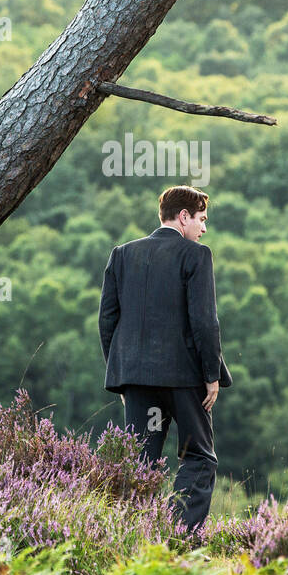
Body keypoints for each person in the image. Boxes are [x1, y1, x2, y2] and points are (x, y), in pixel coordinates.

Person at [98, 185, 232, 536]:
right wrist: (211, 374)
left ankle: (129, 538)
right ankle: (178, 535)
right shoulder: (195, 256)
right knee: (199, 457)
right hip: (185, 377)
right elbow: (205, 321)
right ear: (184, 216)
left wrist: (121, 375)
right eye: (202, 220)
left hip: (135, 378)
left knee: (140, 463)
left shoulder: (122, 254)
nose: (204, 229)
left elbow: (107, 321)